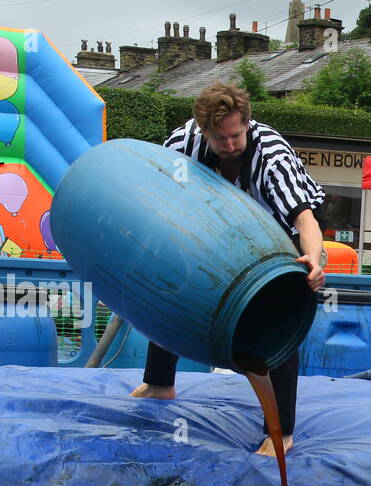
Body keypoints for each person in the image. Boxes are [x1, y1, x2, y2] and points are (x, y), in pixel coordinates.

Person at [128, 83, 327, 457]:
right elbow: (157, 200)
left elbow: (304, 219)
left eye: (236, 135)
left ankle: (281, 432)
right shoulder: (181, 146)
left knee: (280, 308)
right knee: (174, 281)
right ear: (203, 132)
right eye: (221, 138)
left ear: (247, 124)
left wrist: (314, 260)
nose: (231, 144)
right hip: (218, 226)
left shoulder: (271, 156)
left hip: (281, 229)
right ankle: (159, 382)